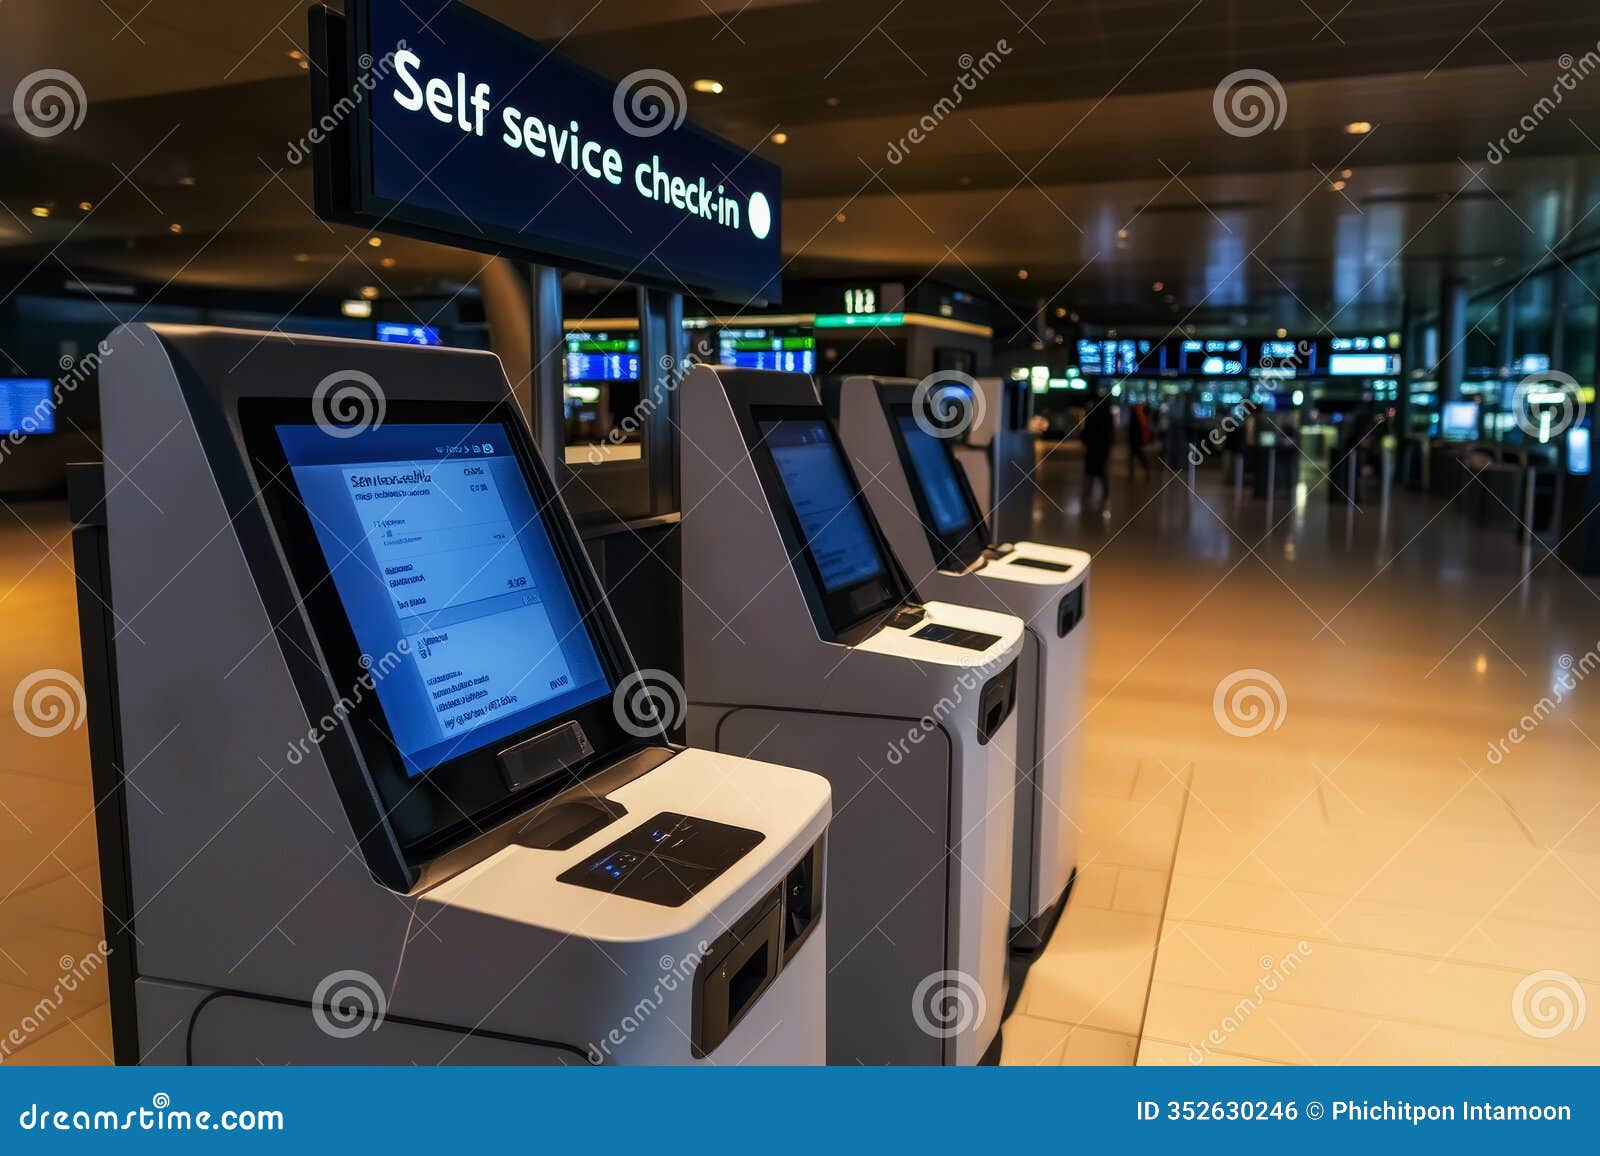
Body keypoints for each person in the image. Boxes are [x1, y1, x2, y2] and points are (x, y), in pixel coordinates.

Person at [1081, 387, 1116, 514]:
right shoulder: (1107, 414)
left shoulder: (1091, 413)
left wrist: (1086, 441)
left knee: (1090, 472)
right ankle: (1105, 494)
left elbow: (1085, 433)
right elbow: (1110, 433)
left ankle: (1087, 493)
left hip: (1092, 448)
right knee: (1102, 472)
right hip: (1102, 448)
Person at [1127, 401, 1152, 479]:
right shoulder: (1140, 415)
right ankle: (1132, 473)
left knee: (1138, 456)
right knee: (1137, 457)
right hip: (1136, 440)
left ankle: (1134, 473)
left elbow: (1135, 429)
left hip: (1135, 440)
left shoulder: (1137, 415)